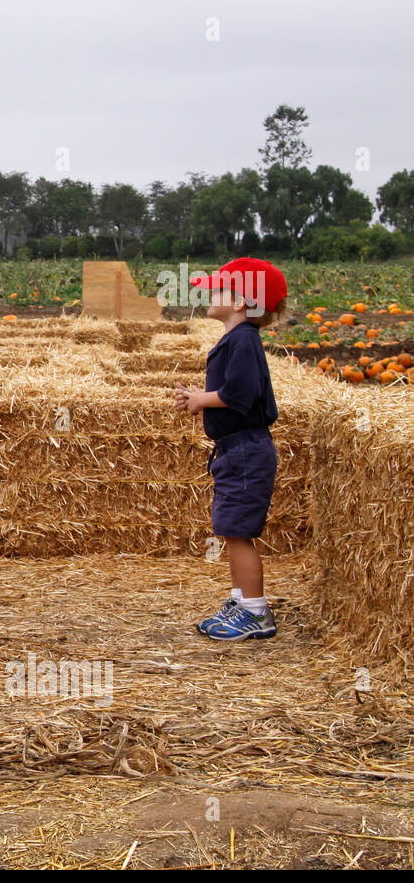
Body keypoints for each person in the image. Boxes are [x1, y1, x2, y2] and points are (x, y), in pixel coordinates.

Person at [174, 257, 287, 641]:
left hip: (245, 451)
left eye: (219, 287)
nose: (209, 291)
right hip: (234, 450)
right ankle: (240, 602)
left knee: (239, 533)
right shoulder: (237, 339)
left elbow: (241, 393)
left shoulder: (243, 340)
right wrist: (198, 398)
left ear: (241, 301)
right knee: (230, 530)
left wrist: (202, 399)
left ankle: (256, 612)